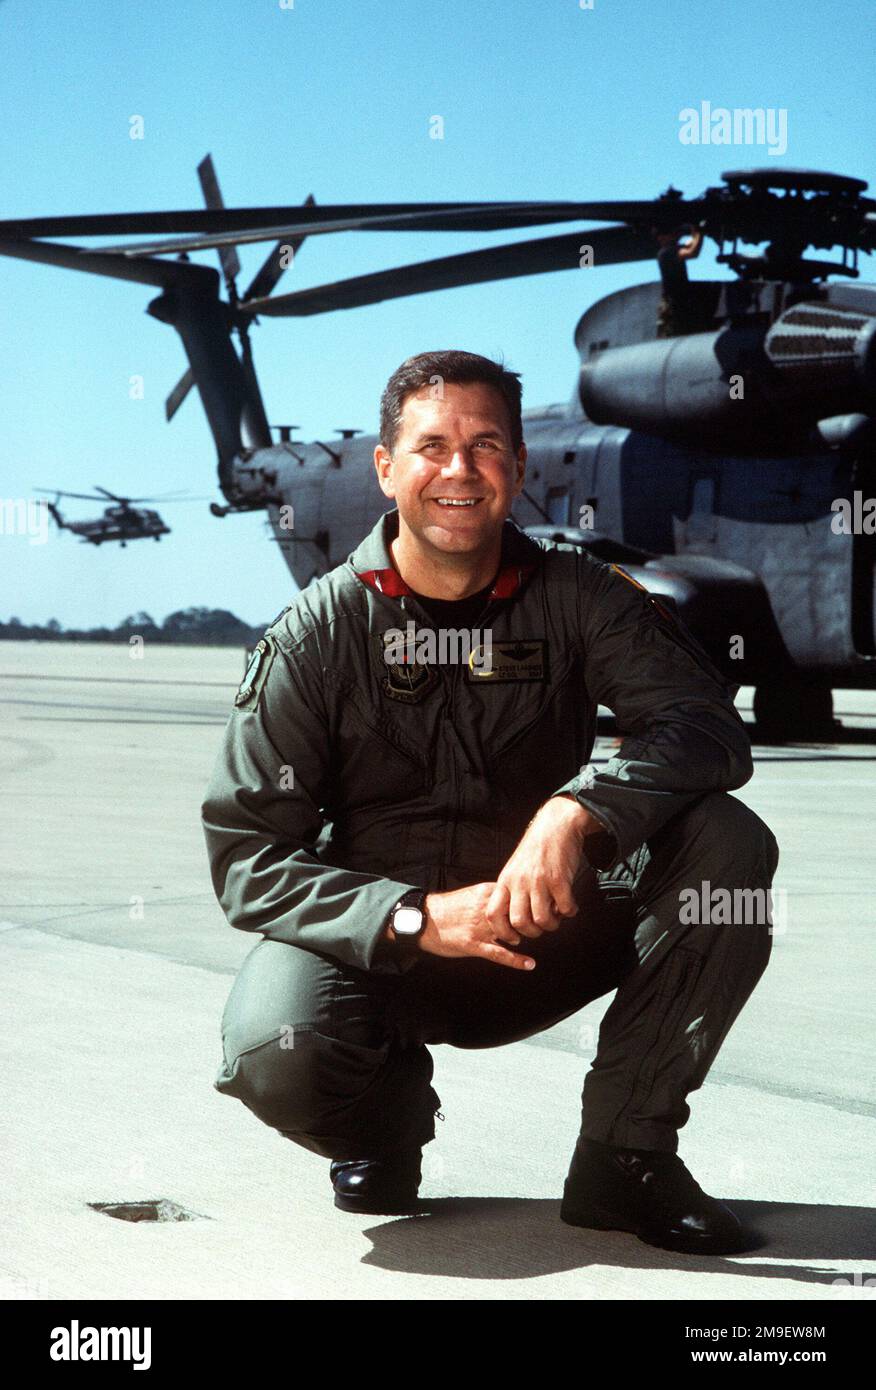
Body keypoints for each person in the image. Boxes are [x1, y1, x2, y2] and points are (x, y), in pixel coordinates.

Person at [201, 349, 779, 1255]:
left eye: (487, 445)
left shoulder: (583, 598)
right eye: (433, 445)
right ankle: (381, 1131)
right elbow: (247, 857)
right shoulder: (316, 634)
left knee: (728, 847)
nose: (460, 470)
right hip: (385, 955)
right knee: (276, 1048)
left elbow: (705, 727)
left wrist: (577, 812)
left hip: (547, 926)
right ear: (387, 467)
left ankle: (623, 1159)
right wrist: (408, 919)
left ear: (515, 466)